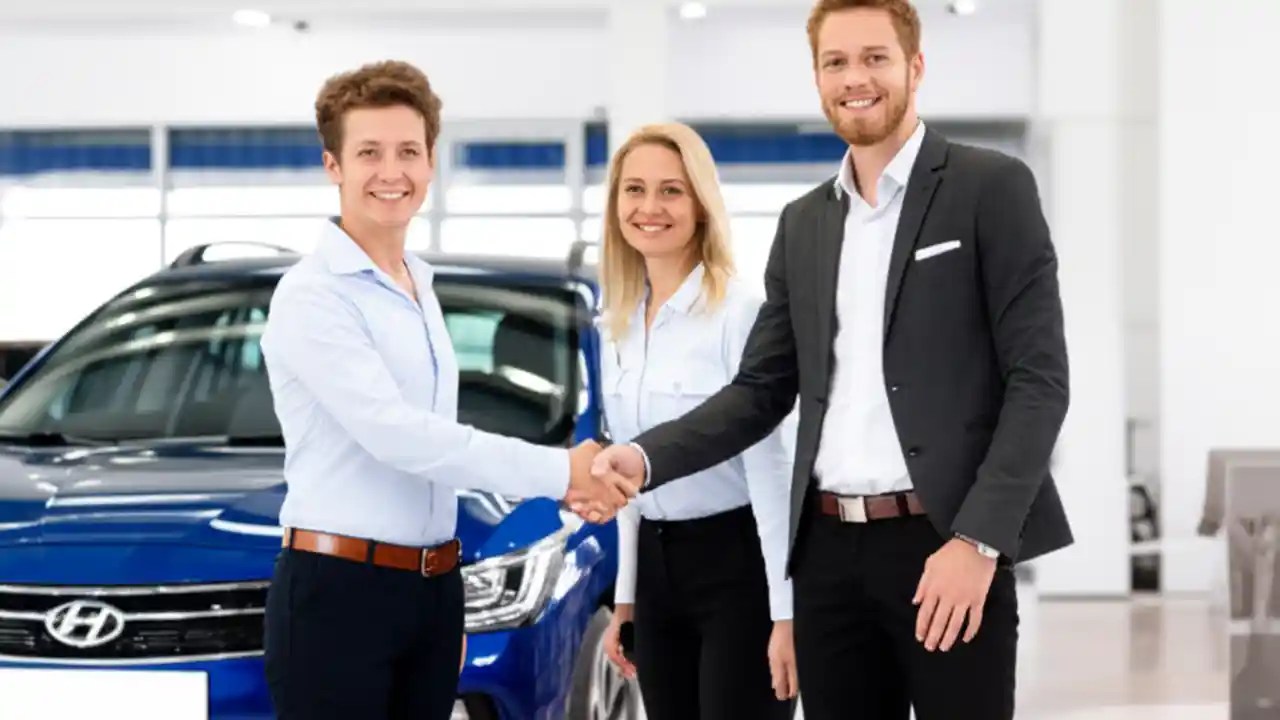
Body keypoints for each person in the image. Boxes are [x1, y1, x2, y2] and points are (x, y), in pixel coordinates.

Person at [587, 1, 1073, 718]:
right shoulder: (805, 222)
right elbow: (760, 391)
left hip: (944, 542)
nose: (855, 78)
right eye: (835, 62)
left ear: (915, 66)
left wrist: (979, 540)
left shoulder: (988, 189)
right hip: (828, 560)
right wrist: (645, 457)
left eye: (874, 57)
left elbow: (1040, 382)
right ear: (818, 77)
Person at [259, 60, 634, 720]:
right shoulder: (313, 294)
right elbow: (399, 437)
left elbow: (433, 465)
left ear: (431, 163)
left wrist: (438, 598)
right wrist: (561, 471)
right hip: (340, 594)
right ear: (333, 165)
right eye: (368, 152)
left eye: (408, 151)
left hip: (428, 589)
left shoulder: (418, 285)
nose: (391, 171)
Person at [593, 123, 798, 718]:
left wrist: (787, 614)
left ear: (702, 205)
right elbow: (628, 479)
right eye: (633, 190)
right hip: (657, 573)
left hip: (737, 569)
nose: (649, 208)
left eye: (670, 191)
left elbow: (771, 473)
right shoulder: (619, 324)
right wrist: (627, 600)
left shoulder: (742, 314)